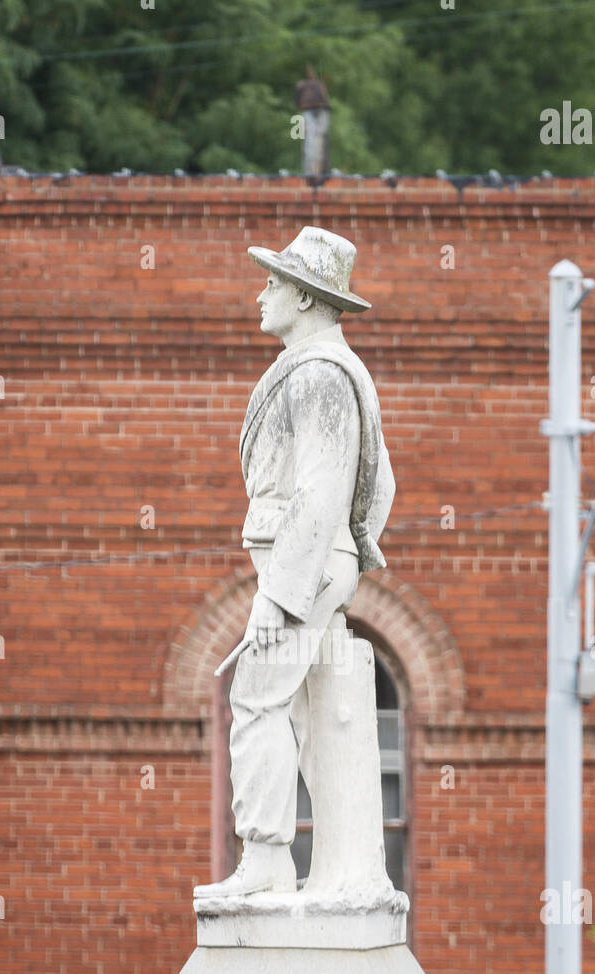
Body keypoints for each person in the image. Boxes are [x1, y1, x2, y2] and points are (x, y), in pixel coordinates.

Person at [195, 226, 394, 897]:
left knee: (254, 698)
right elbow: (380, 486)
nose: (262, 294)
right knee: (304, 716)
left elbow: (320, 493)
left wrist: (282, 594)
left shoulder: (319, 375)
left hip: (301, 568)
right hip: (312, 565)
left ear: (307, 299)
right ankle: (345, 867)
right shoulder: (326, 369)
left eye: (275, 282)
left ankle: (267, 861)